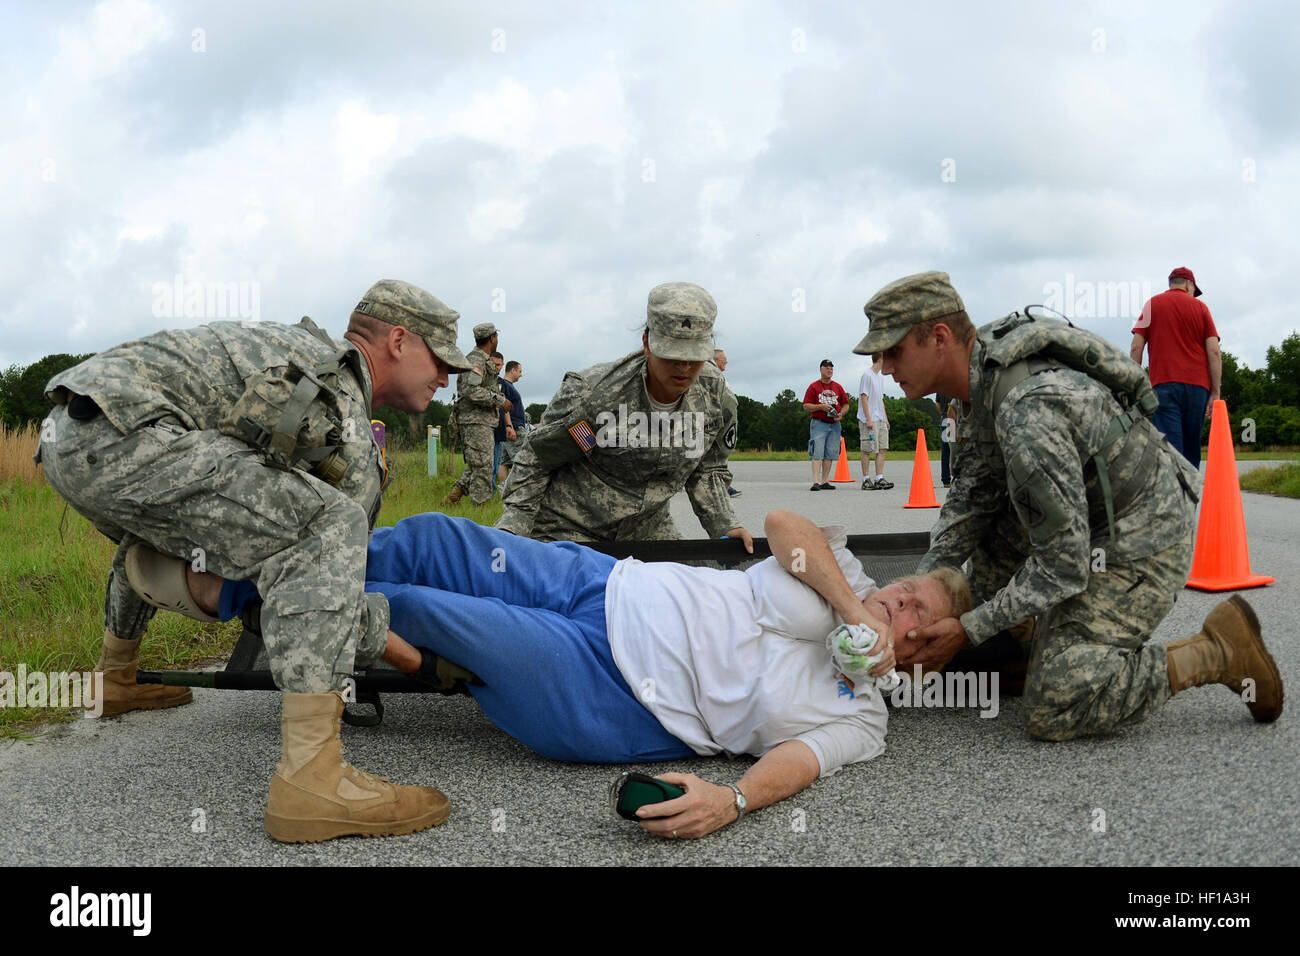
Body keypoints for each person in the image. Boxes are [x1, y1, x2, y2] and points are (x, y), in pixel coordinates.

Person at [36, 279, 476, 842]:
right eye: (441, 362)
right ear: (397, 341)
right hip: (132, 437)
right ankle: (313, 778)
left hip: (69, 436)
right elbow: (322, 587)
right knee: (329, 523)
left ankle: (115, 679)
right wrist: (419, 663)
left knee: (174, 538)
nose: (444, 379)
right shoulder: (337, 401)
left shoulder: (294, 354)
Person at [359, 508, 969, 839]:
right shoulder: (845, 578)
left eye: (919, 618)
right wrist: (853, 609)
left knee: (423, 610)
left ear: (924, 655)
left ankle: (286, 606)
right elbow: (785, 525)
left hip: (613, 695)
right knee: (437, 540)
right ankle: (285, 558)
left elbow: (801, 761)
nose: (903, 607)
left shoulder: (862, 717)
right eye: (908, 590)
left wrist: (732, 800)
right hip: (606, 583)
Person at [855, 270, 1282, 741]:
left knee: (1055, 703)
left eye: (893, 351)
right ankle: (1033, 640)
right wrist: (928, 586)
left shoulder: (1026, 411)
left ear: (938, 337)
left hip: (1140, 534)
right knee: (971, 584)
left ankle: (1219, 650)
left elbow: (1063, 565)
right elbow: (972, 497)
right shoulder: (979, 379)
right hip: (1085, 520)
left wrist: (968, 630)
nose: (885, 366)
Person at [497, 282, 750, 547]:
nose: (684, 366)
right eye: (672, 354)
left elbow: (708, 468)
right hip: (571, 527)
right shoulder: (596, 397)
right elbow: (540, 458)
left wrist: (726, 524)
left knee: (696, 582)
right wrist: (515, 527)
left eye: (695, 355)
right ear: (647, 343)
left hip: (646, 531)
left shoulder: (714, 398)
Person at [1130, 266, 1222, 469]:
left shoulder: (1151, 305)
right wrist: (1215, 392)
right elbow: (1214, 352)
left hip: (1163, 385)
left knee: (1170, 450)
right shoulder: (1201, 308)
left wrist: (1135, 385)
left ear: (1172, 283)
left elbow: (1137, 347)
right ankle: (1189, 497)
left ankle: (1173, 496)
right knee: (1191, 452)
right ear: (1189, 284)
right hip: (1198, 388)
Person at [446, 323, 511, 506]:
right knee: (483, 465)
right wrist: (500, 401)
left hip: (481, 420)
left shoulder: (483, 359)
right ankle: (479, 507)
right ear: (492, 338)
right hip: (475, 420)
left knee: (479, 462)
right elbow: (471, 391)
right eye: (496, 336)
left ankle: (455, 495)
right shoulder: (476, 360)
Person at [803, 359, 849, 491]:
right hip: (819, 423)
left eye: (831, 368)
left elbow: (846, 404)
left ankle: (825, 481)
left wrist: (841, 414)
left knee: (830, 452)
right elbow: (806, 405)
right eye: (827, 368)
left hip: (834, 424)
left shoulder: (838, 387)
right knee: (818, 451)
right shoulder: (814, 387)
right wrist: (820, 407)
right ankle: (816, 481)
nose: (830, 370)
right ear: (821, 369)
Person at [857, 354, 893, 490]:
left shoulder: (880, 377)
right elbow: (864, 398)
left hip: (880, 418)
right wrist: (868, 419)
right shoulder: (867, 375)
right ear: (880, 359)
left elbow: (880, 399)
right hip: (869, 419)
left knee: (882, 448)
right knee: (867, 449)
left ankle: (879, 478)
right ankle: (866, 480)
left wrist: (886, 419)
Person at [713, 348, 742, 498]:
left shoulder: (719, 378)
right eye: (724, 359)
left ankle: (721, 485)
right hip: (715, 424)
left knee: (718, 455)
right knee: (718, 455)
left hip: (723, 422)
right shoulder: (712, 378)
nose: (727, 362)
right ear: (716, 360)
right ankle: (722, 486)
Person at [495, 359, 525, 488]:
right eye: (519, 371)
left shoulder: (509, 386)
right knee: (523, 460)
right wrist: (509, 426)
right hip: (514, 429)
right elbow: (504, 407)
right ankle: (520, 489)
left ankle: (503, 490)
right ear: (512, 370)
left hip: (510, 429)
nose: (521, 374)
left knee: (504, 462)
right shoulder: (504, 384)